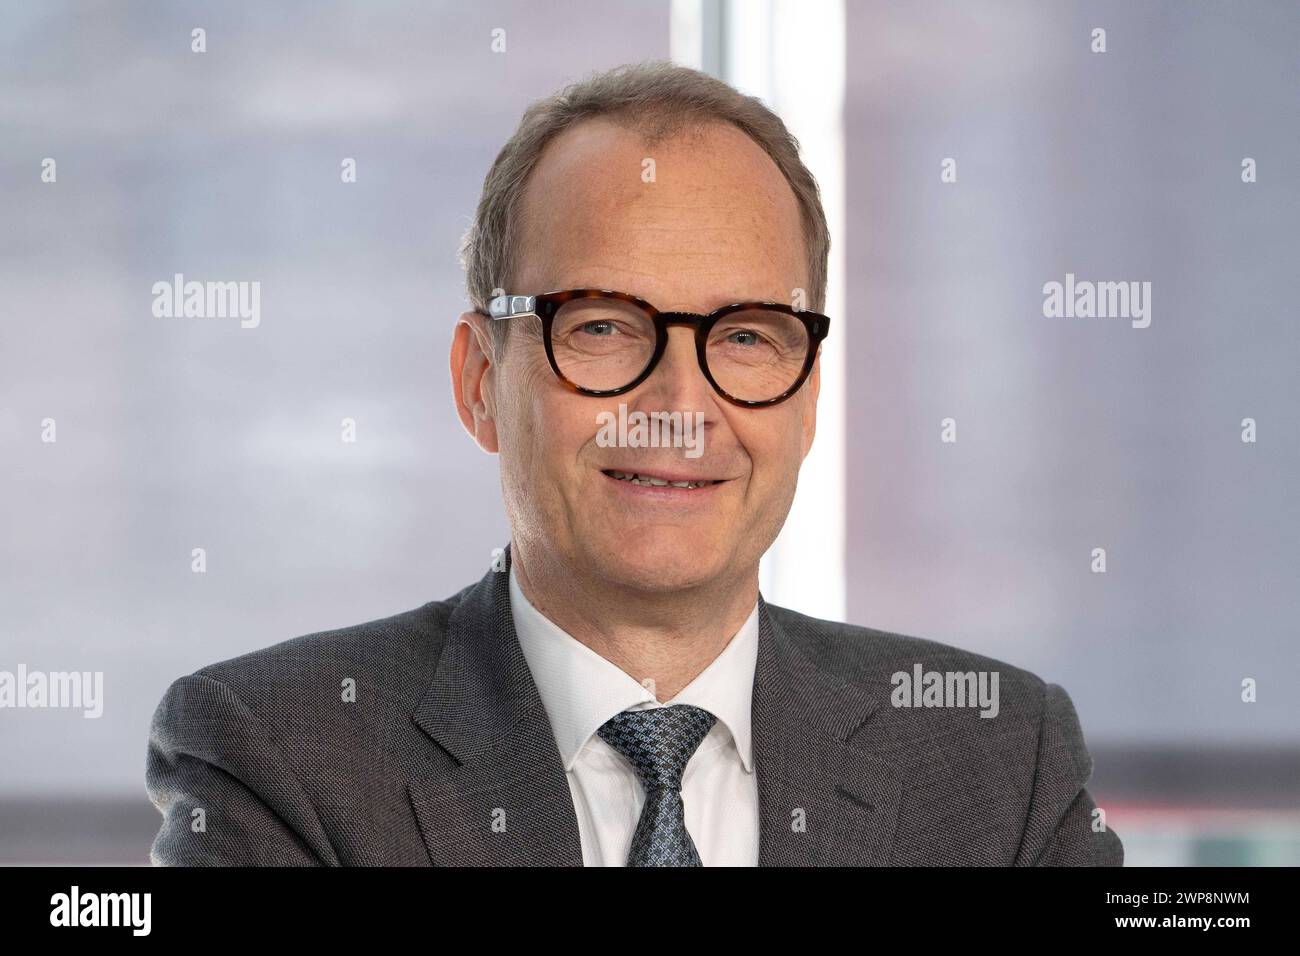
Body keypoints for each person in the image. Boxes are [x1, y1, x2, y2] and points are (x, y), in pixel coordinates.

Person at [145, 61, 1122, 866]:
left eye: (745, 335)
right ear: (479, 379)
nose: (678, 406)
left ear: (809, 392)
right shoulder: (281, 756)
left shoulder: (997, 757)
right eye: (606, 325)